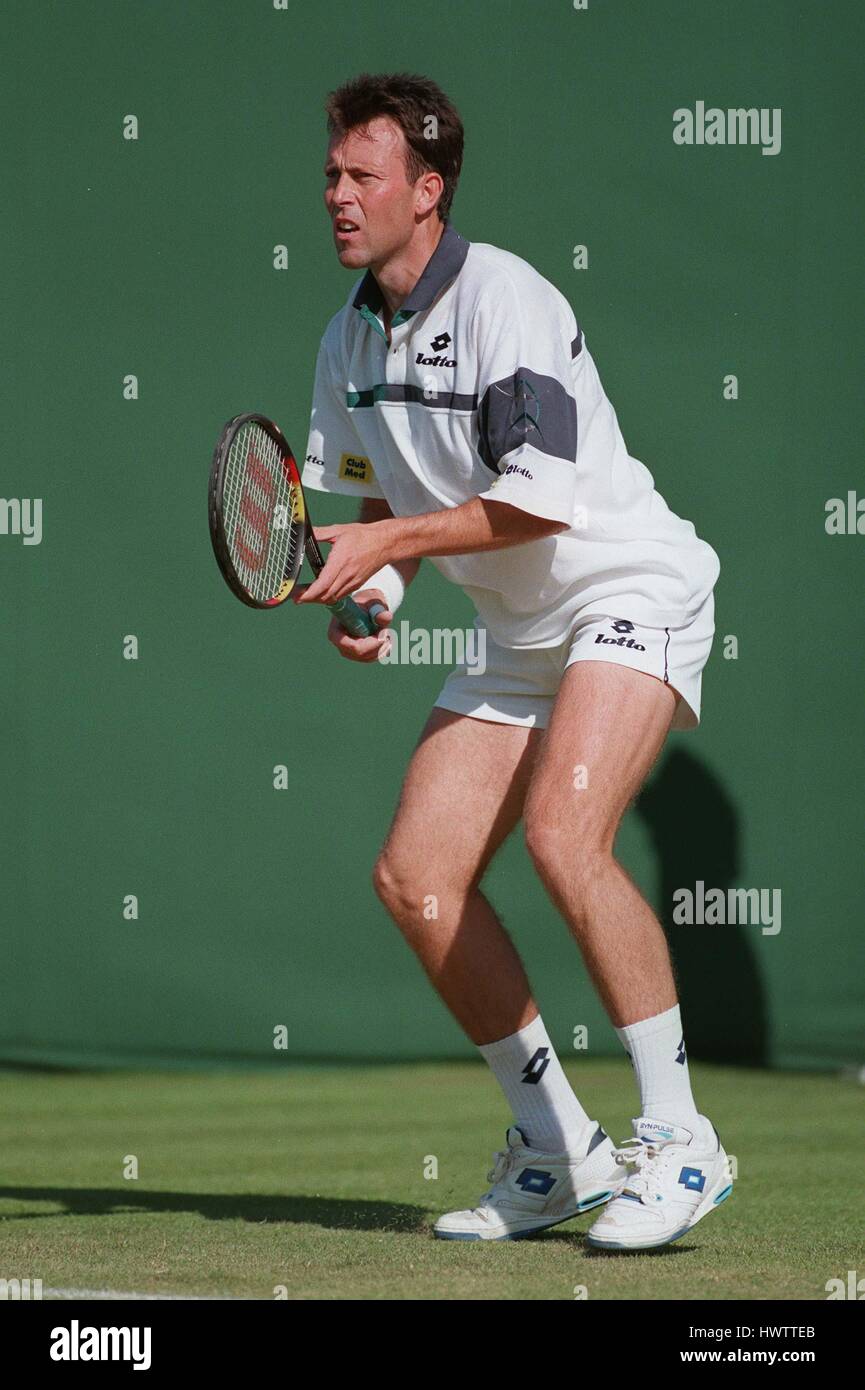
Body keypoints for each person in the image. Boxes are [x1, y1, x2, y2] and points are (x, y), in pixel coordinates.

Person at [296, 70, 732, 1249]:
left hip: (627, 588)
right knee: (417, 879)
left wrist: (383, 540)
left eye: (361, 175)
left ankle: (682, 1141)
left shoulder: (508, 300)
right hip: (520, 637)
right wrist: (375, 593)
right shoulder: (345, 339)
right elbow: (376, 502)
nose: (335, 194)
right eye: (330, 173)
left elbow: (533, 503)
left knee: (563, 835)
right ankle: (555, 1148)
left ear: (426, 191)